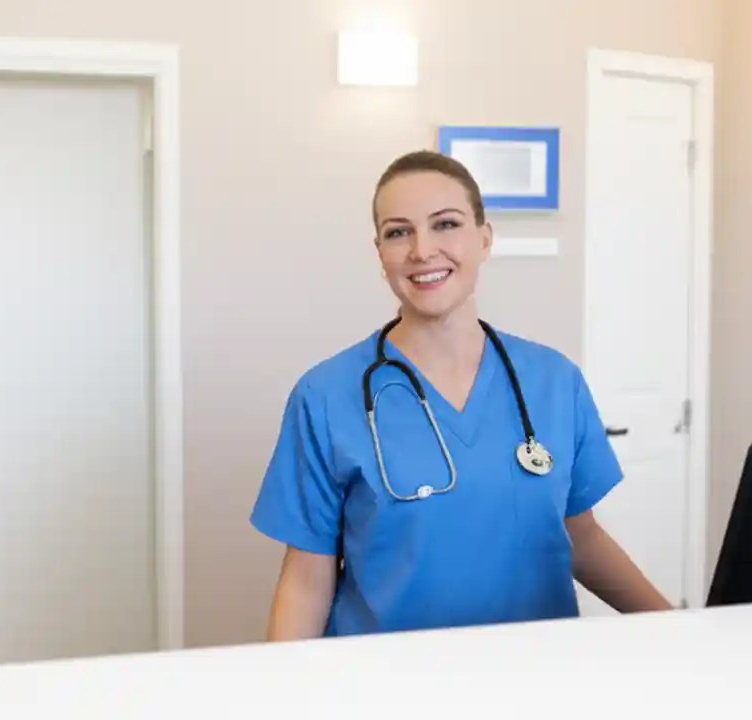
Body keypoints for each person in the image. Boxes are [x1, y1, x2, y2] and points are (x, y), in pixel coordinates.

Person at [250, 150, 672, 640]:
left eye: (445, 224)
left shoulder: (555, 382)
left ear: (484, 239)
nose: (422, 250)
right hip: (382, 686)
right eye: (398, 231)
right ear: (380, 251)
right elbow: (307, 579)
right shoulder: (324, 397)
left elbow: (579, 536)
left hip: (539, 675)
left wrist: (681, 626)